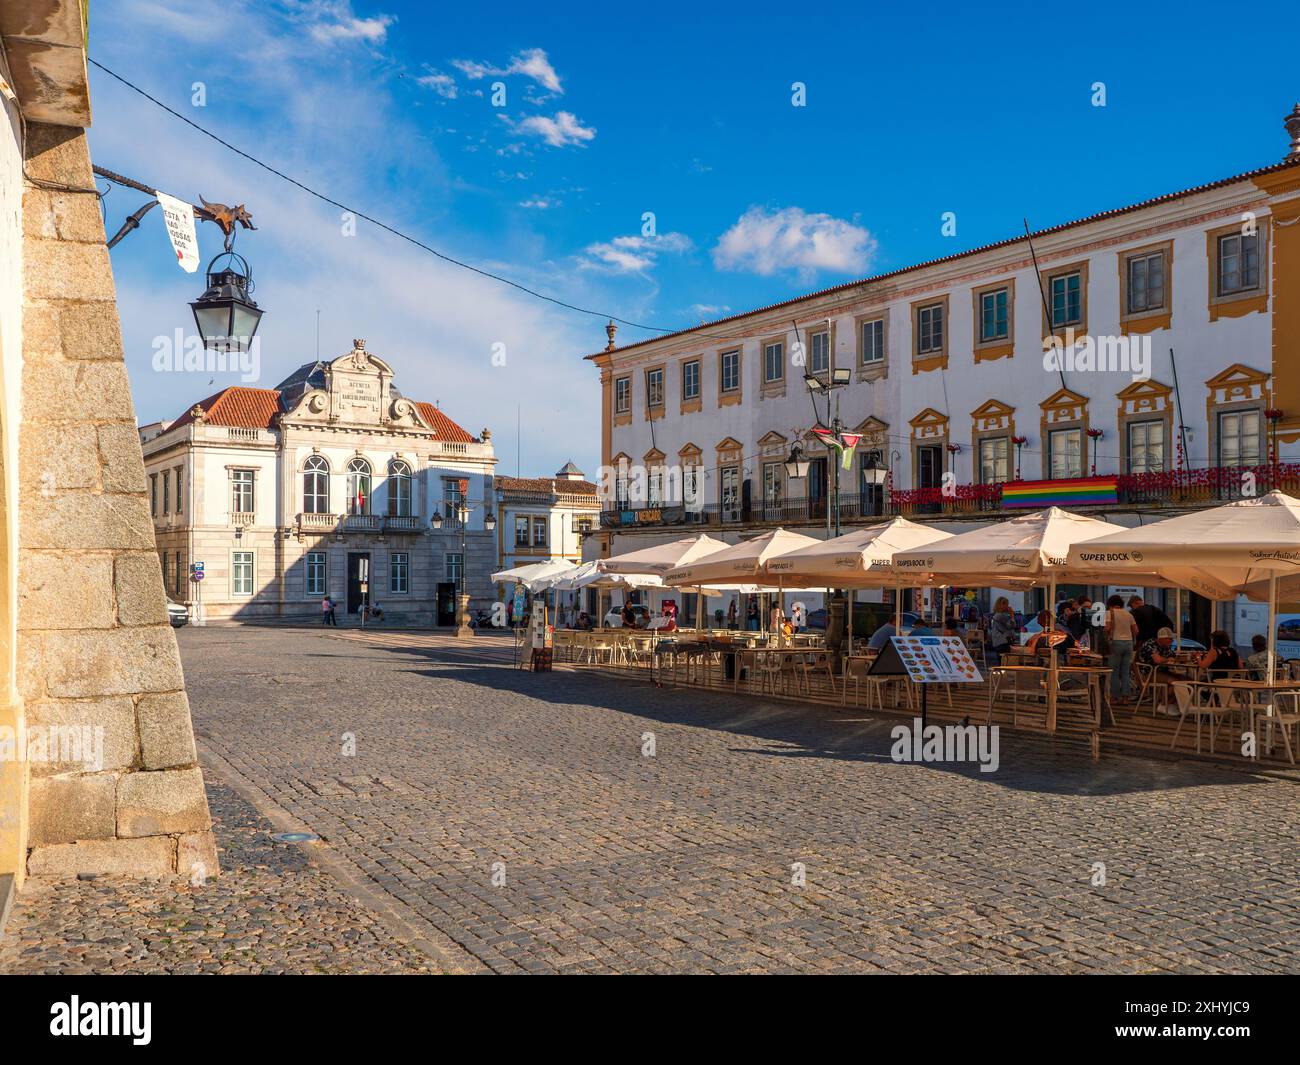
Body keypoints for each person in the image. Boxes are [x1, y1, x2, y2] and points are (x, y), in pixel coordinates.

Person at [1104, 594, 1138, 703]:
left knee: (1114, 671)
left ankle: (1115, 697)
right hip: (1128, 644)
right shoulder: (1128, 614)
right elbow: (1136, 631)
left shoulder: (1110, 613)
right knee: (1125, 671)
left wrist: (1105, 631)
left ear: (1110, 604)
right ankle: (1125, 697)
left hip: (1116, 643)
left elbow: (1108, 628)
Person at [988, 597, 1017, 666]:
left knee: (1000, 661)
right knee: (1004, 662)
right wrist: (1012, 615)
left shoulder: (996, 615)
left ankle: (1001, 674)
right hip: (1003, 642)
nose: (1008, 606)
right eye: (1006, 604)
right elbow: (1012, 625)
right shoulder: (1001, 616)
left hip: (997, 642)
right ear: (1002, 605)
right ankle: (1003, 675)